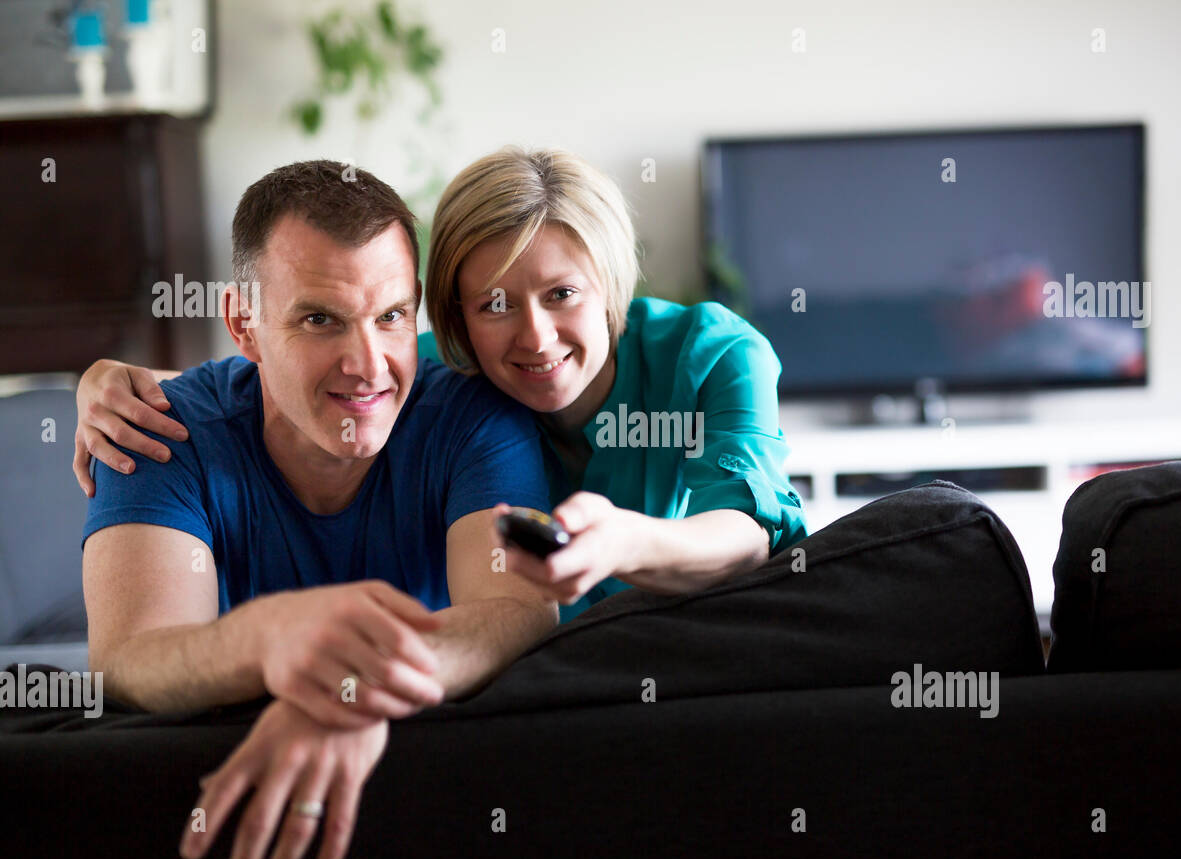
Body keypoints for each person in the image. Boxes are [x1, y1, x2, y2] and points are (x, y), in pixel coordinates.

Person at [75, 146, 807, 624]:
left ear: (611, 285)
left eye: (562, 294)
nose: (535, 338)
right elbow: (295, 373)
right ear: (453, 317)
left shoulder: (715, 356)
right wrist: (119, 385)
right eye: (495, 304)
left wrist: (625, 541)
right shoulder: (439, 371)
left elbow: (746, 535)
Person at [81, 160, 559, 859]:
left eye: (391, 317)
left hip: (423, 781)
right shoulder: (153, 427)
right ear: (244, 325)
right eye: (319, 320)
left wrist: (352, 683)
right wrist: (270, 638)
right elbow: (127, 659)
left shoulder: (474, 419)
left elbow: (517, 609)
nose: (369, 365)